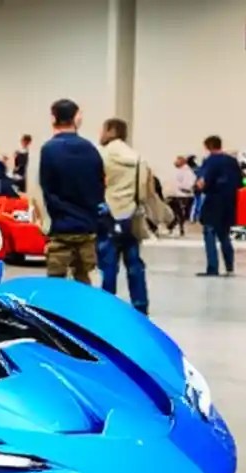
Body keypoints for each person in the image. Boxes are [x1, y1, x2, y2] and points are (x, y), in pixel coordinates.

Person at [97, 118, 170, 315]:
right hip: (130, 217)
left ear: (111, 131)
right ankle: (140, 306)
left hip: (107, 216)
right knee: (134, 264)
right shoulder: (138, 159)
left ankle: (107, 305)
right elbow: (145, 193)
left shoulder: (102, 156)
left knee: (108, 266)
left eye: (103, 130)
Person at [38, 99, 104, 283]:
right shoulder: (90, 149)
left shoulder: (48, 150)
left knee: (55, 283)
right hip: (87, 228)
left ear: (53, 118)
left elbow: (47, 189)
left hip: (61, 229)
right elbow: (99, 187)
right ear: (77, 118)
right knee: (86, 282)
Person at [195, 135, 243, 276]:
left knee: (209, 232)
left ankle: (212, 268)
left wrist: (198, 188)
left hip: (213, 201)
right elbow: (240, 182)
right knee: (224, 235)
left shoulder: (210, 161)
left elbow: (202, 182)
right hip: (229, 202)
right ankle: (229, 268)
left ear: (208, 146)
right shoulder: (232, 161)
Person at [166, 156, 195, 236]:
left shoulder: (187, 172)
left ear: (182, 162)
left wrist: (180, 188)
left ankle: (178, 229)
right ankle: (173, 227)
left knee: (180, 214)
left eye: (177, 161)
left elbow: (188, 185)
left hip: (183, 196)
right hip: (177, 195)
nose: (175, 162)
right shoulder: (179, 171)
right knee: (176, 213)